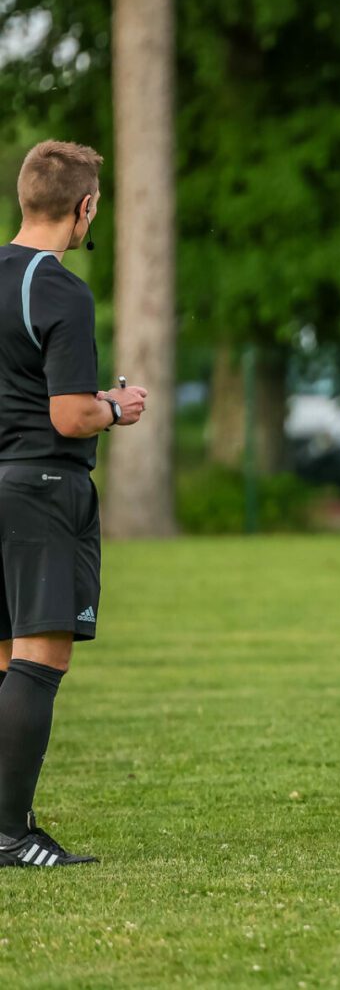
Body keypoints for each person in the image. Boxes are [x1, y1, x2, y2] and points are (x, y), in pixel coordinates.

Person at [1, 141, 148, 867]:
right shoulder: (59, 288)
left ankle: (6, 821)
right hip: (41, 488)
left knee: (4, 657)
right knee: (40, 656)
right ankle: (11, 835)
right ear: (85, 207)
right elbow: (69, 415)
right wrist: (116, 407)